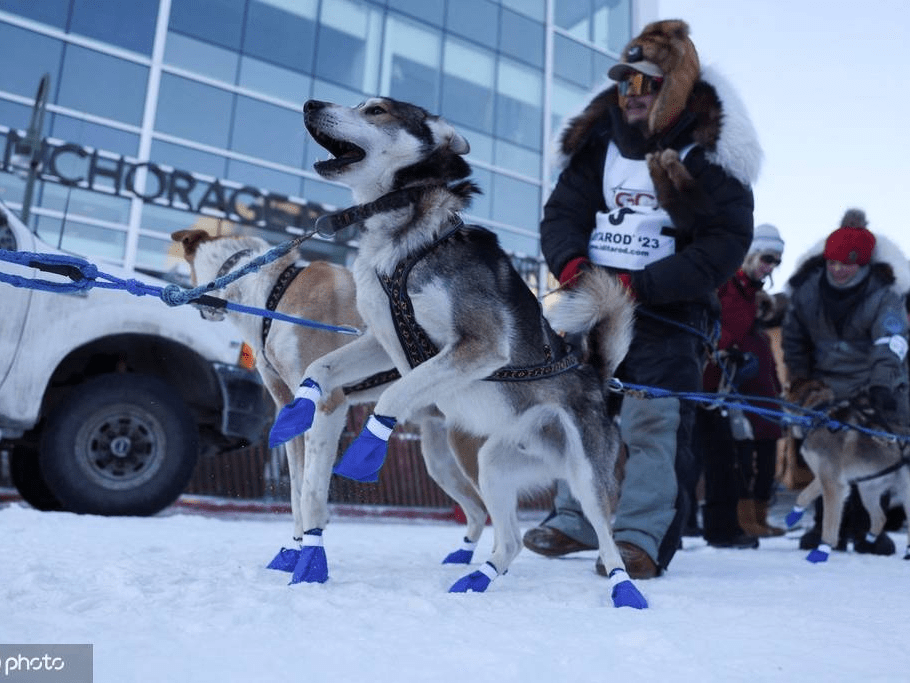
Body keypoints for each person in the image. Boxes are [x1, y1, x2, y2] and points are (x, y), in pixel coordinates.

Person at [522, 19, 761, 579]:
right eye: (626, 84)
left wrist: (642, 285)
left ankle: (640, 537)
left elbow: (725, 243)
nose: (633, 95)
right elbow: (561, 216)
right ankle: (578, 520)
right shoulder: (597, 145)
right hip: (594, 306)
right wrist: (577, 269)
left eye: (648, 85)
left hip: (670, 314)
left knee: (654, 423)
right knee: (580, 414)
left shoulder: (709, 152)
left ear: (675, 86)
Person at [782, 208, 910, 555]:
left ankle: (869, 528)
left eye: (847, 264)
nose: (838, 269)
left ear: (863, 265)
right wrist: (800, 375)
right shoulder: (808, 292)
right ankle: (825, 525)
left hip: (872, 383)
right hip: (824, 384)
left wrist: (883, 384)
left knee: (870, 455)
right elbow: (794, 338)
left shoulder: (884, 296)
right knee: (825, 458)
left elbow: (891, 341)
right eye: (833, 263)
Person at [699, 223, 786, 549]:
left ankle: (726, 527)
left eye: (776, 261)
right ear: (750, 253)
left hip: (725, 387)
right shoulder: (725, 283)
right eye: (766, 257)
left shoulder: (750, 294)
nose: (770, 266)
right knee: (705, 458)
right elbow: (706, 319)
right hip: (703, 384)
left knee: (725, 459)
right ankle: (710, 528)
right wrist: (726, 346)